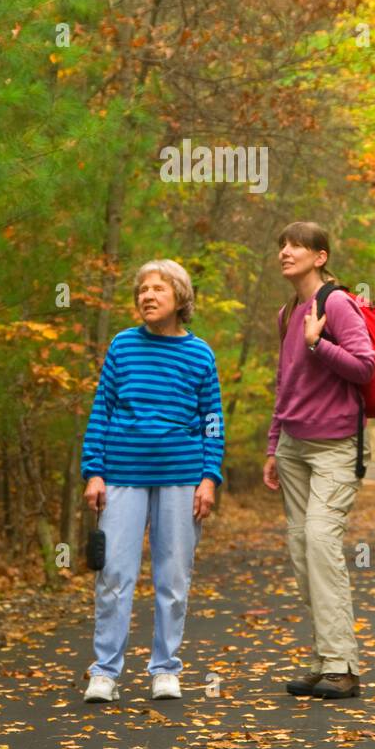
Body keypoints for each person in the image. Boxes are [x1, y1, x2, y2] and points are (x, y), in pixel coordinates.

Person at [81, 259, 224, 702]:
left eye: (158, 288)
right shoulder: (123, 347)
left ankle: (165, 669)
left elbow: (212, 421)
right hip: (122, 474)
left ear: (180, 298)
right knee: (114, 575)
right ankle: (104, 672)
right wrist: (94, 471)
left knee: (173, 578)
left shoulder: (200, 354)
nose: (147, 296)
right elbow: (101, 410)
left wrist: (209, 478)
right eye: (142, 289)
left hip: (182, 477)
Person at [263, 221, 375, 699]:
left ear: (321, 256)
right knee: (301, 551)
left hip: (335, 445)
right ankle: (326, 655)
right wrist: (273, 444)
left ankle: (343, 666)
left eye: (296, 246)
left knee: (320, 541)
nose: (285, 252)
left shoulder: (337, 304)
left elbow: (366, 367)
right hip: (294, 445)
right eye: (281, 244)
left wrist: (318, 343)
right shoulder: (287, 311)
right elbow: (285, 382)